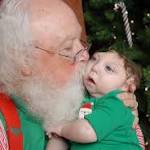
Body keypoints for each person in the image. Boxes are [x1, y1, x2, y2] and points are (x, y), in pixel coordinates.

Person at [0, 0, 141, 149]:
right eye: (67, 49)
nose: (85, 56)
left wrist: (131, 116)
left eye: (80, 40)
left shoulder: (94, 95)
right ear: (25, 61)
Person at [46, 50, 143, 150]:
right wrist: (59, 133)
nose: (95, 67)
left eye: (108, 68)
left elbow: (87, 131)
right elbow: (61, 138)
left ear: (127, 85)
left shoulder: (118, 103)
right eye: (94, 59)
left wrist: (61, 129)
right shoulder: (81, 101)